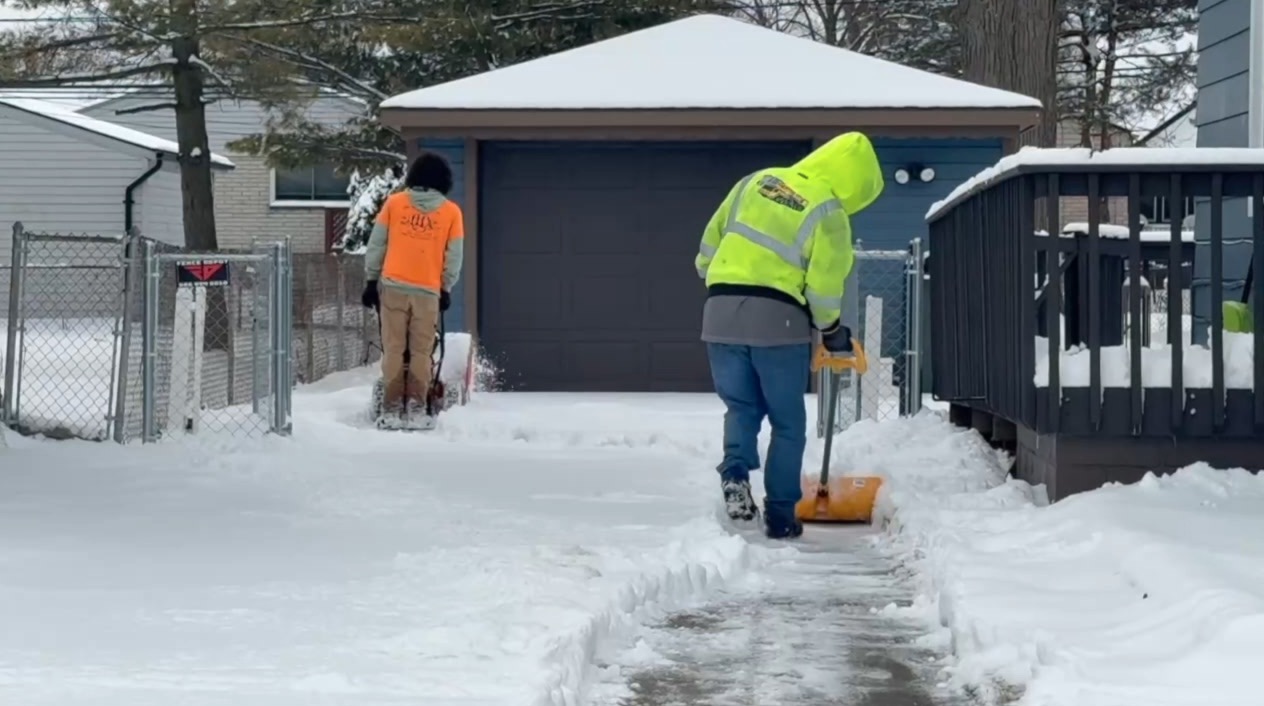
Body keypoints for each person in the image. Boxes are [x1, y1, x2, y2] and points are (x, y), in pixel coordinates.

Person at [694, 132, 884, 539]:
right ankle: (781, 515)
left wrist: (724, 282)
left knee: (741, 406)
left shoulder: (757, 181)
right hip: (778, 319)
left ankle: (734, 474)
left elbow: (710, 243)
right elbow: (824, 286)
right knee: (787, 420)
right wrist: (830, 330)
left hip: (720, 310)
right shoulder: (829, 211)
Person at [362, 151, 465, 428]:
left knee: (394, 349)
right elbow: (454, 255)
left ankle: (392, 409)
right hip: (428, 291)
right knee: (421, 352)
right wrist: (445, 287)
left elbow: (377, 245)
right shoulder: (451, 211)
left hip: (393, 286)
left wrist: (372, 281)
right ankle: (418, 408)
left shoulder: (395, 204)